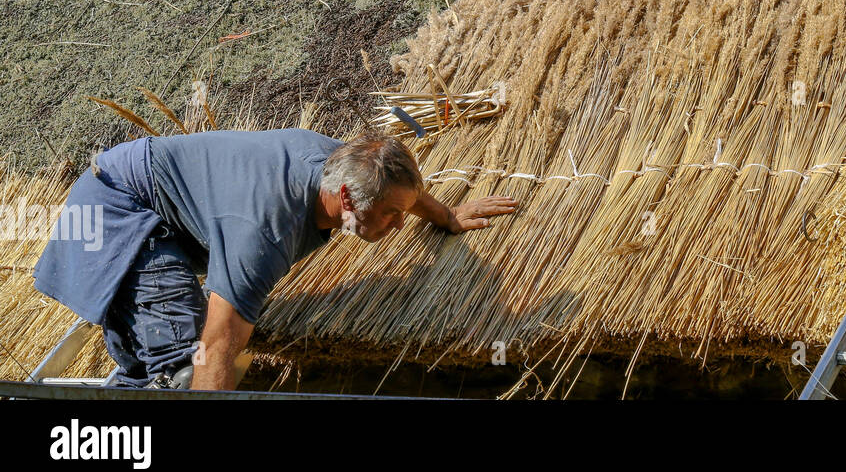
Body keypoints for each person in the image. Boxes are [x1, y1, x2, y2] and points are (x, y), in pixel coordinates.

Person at [34, 129, 516, 390]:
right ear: (347, 199)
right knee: (184, 373)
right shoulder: (263, 231)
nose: (399, 224)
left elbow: (401, 191)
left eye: (402, 212)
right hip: (116, 214)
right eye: (390, 215)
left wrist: (447, 214)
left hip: (153, 215)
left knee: (146, 376)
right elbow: (220, 344)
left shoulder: (343, 165)